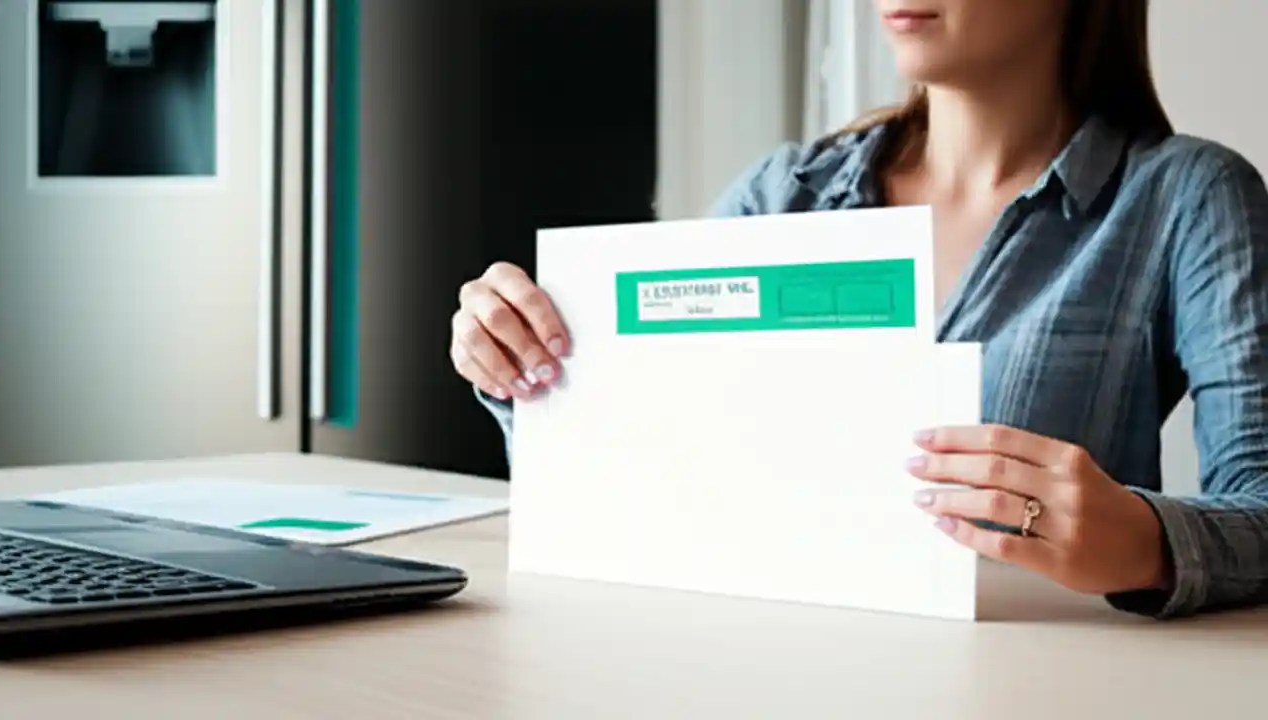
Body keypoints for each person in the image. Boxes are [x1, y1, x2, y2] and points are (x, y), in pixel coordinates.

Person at [448, 0, 1268, 618]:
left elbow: (1261, 504)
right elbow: (650, 473)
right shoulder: (782, 192)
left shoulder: (1188, 197)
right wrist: (525, 369)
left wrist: (1147, 544)